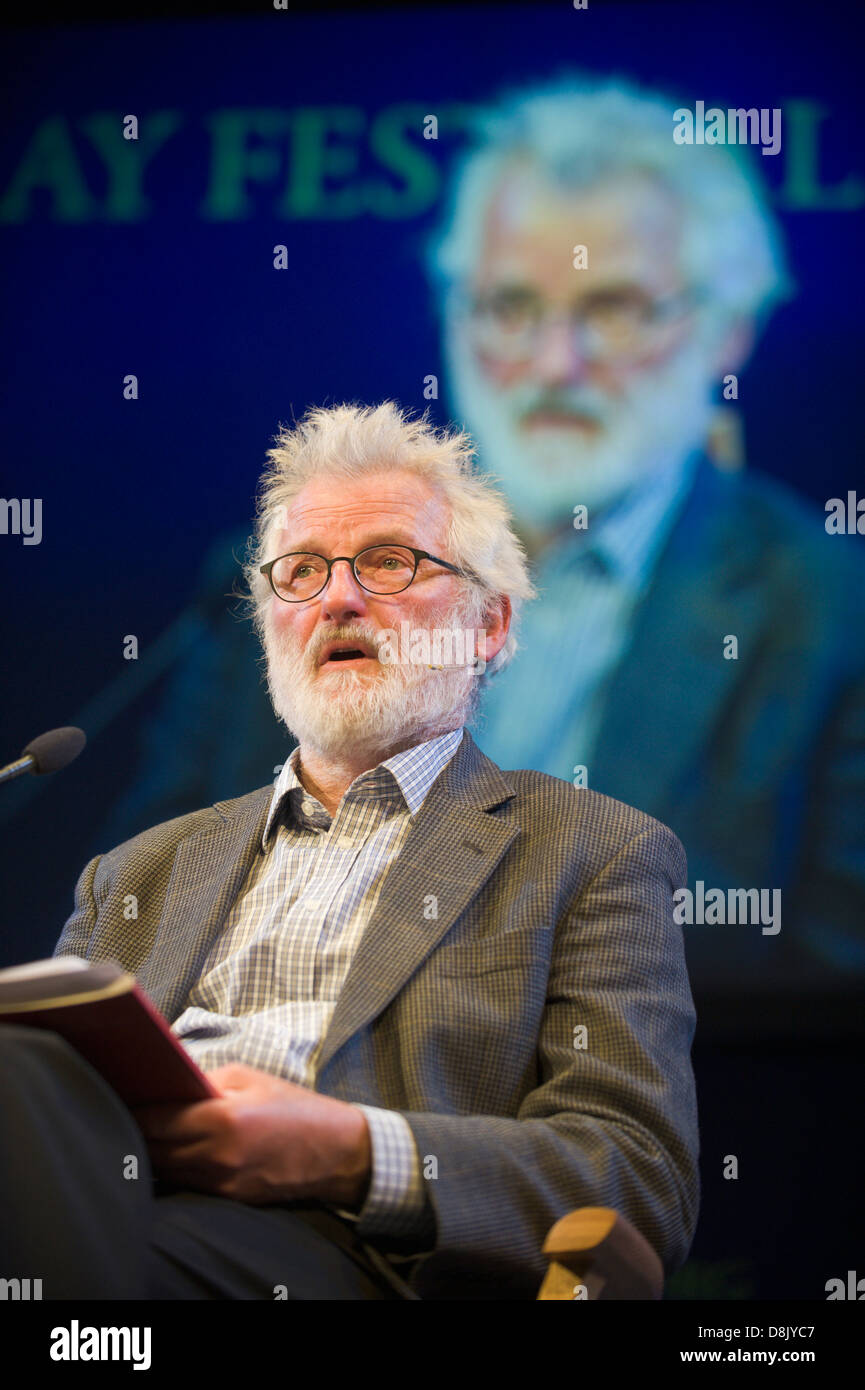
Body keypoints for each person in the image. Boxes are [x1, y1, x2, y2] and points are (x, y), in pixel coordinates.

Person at [96, 76, 865, 1013]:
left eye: (616, 308)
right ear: (452, 311)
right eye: (508, 305)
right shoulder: (286, 575)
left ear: (727, 330)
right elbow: (135, 928)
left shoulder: (830, 611)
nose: (554, 364)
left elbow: (824, 1005)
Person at [3, 402, 699, 1300]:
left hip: (353, 1258)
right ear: (268, 631)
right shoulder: (136, 872)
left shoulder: (591, 852)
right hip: (96, 1210)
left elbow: (635, 1178)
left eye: (387, 562)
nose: (336, 597)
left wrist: (350, 1152)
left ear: (488, 627)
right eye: (299, 572)